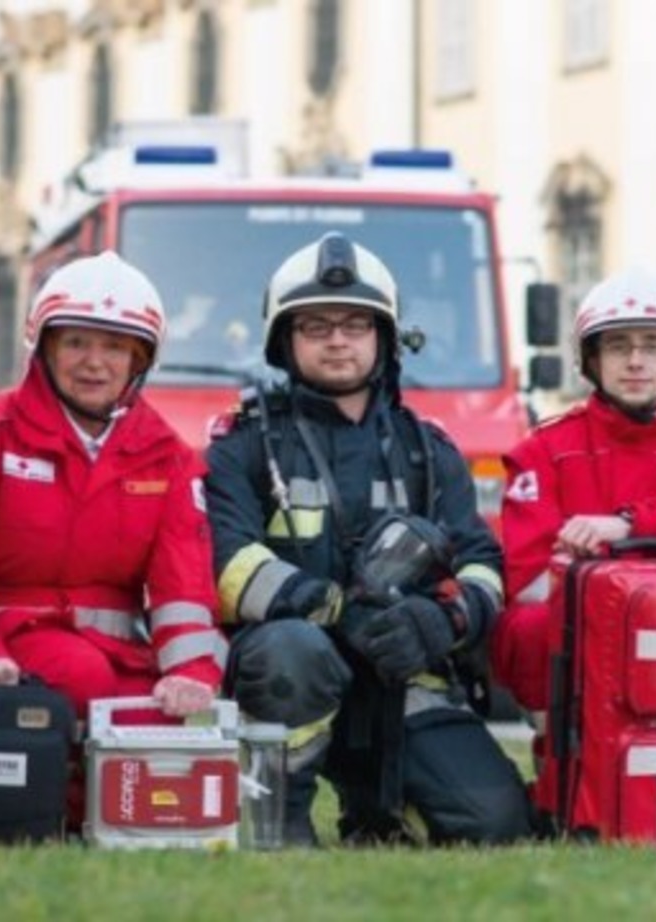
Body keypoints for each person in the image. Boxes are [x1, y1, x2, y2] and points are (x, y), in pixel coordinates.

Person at [207, 232, 528, 846]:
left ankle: (377, 812)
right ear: (285, 342)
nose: (336, 340)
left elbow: (484, 564)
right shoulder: (245, 444)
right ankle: (282, 820)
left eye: (356, 324)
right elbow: (224, 563)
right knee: (293, 654)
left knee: (496, 824)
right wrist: (331, 609)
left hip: (402, 674)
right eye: (316, 326)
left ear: (384, 338)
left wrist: (443, 624)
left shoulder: (429, 450)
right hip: (293, 673)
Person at [0, 252, 226, 734]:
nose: (94, 363)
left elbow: (183, 580)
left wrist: (191, 669)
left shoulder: (167, 456)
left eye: (115, 347)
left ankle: (99, 814)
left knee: (152, 722)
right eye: (76, 342)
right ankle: (54, 813)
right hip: (6, 642)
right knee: (81, 679)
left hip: (119, 651)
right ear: (44, 348)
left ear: (139, 360)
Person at [491, 268, 656, 713]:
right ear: (592, 360)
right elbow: (531, 584)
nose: (635, 361)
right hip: (574, 661)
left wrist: (626, 527)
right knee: (530, 626)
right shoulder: (542, 452)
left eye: (653, 345)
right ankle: (560, 767)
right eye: (618, 346)